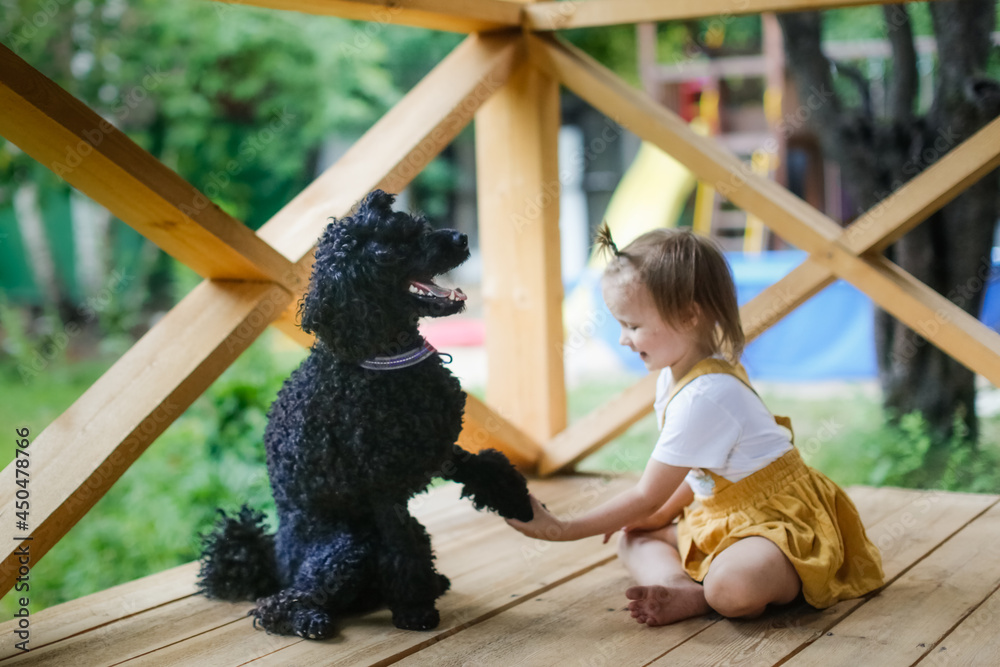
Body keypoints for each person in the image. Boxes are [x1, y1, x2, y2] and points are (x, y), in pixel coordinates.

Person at [506, 224, 884, 626]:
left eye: (632, 325)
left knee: (732, 589)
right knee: (633, 539)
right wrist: (654, 520)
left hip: (777, 522)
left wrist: (561, 529)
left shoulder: (706, 395)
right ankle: (679, 584)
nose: (623, 340)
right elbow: (696, 474)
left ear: (687, 315)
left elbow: (647, 496)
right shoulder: (675, 378)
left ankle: (735, 585)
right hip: (720, 515)